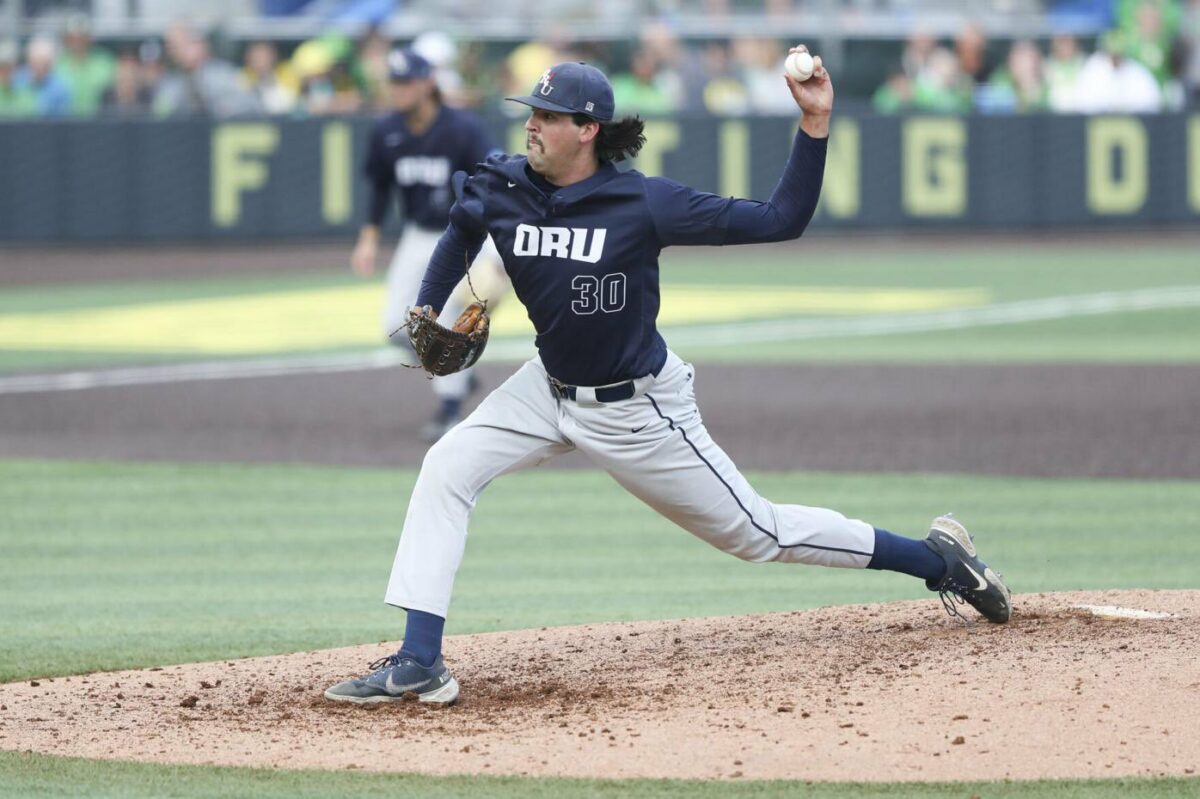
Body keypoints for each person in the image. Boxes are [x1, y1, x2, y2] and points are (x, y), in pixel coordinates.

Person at [325, 49, 1012, 707]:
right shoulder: (503, 184)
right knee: (446, 466)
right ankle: (420, 662)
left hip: (637, 410)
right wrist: (427, 302)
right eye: (530, 110)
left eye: (548, 115)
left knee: (759, 533)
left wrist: (813, 123)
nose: (531, 123)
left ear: (588, 130)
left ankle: (937, 559)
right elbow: (461, 227)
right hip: (546, 387)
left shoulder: (642, 203)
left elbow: (782, 219)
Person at [350, 47, 509, 441]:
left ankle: (450, 409)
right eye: (395, 83)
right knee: (396, 324)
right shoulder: (387, 131)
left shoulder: (462, 129)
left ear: (427, 84)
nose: (400, 90)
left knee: (451, 319)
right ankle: (459, 371)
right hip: (419, 233)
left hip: (466, 235)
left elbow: (495, 177)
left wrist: (498, 249)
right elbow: (380, 188)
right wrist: (368, 238)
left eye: (407, 82)